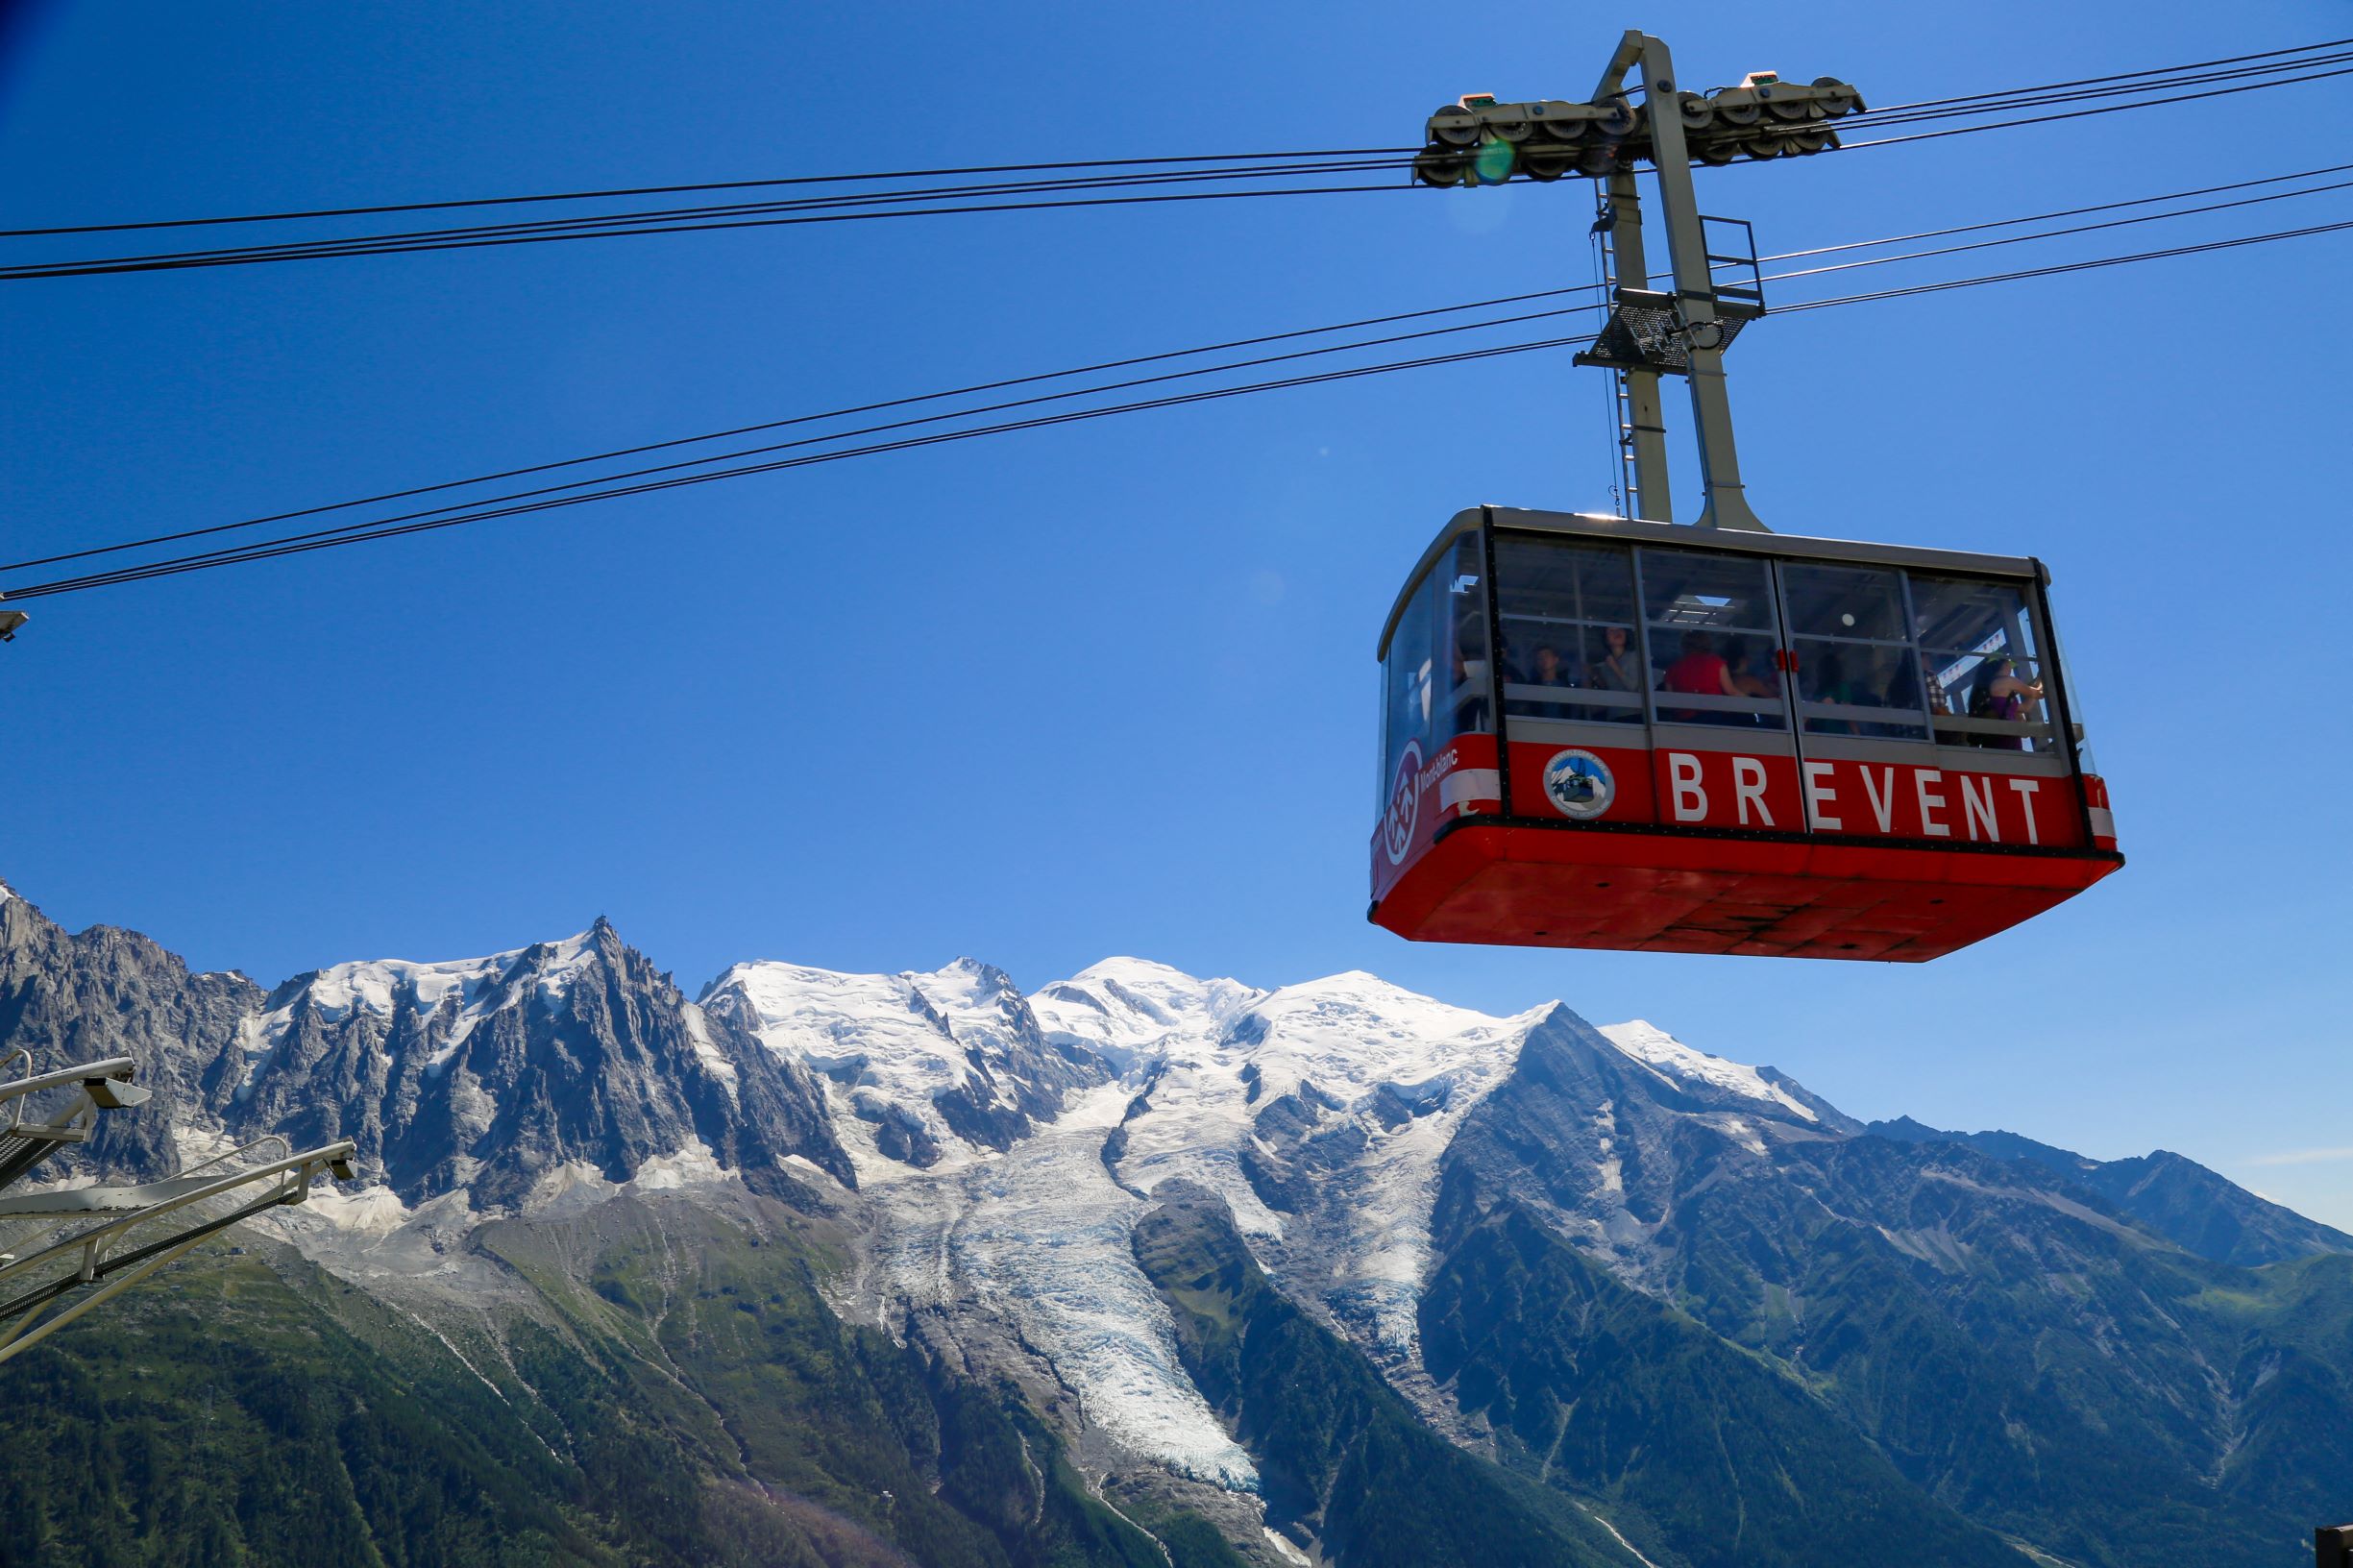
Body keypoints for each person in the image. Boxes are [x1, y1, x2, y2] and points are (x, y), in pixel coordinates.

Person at [1660, 629, 1738, 724]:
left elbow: (1670, 701)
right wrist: (1753, 702)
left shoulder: (1672, 669)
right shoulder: (1717, 663)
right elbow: (1731, 691)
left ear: (1684, 645)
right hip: (1713, 715)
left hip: (1685, 720)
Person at [1968, 653, 2044, 750]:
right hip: (2008, 743)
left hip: (1991, 745)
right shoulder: (2006, 681)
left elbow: (2025, 707)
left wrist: (2038, 682)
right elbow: (2038, 694)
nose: (2011, 669)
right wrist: (2043, 679)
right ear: (2003, 665)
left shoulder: (1985, 691)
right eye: (2009, 664)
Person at [1585, 625, 1645, 723]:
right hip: (1613, 717)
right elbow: (1607, 689)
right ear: (1606, 640)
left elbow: (1633, 686)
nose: (1617, 632)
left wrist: (1614, 666)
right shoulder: (1605, 667)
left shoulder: (1633, 657)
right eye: (1611, 631)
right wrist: (1593, 675)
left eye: (1620, 629)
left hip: (1633, 715)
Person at [1725, 640, 1777, 728]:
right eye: (1746, 658)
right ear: (1741, 659)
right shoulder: (1746, 680)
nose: (1749, 660)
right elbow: (1772, 697)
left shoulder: (1726, 679)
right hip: (1746, 725)